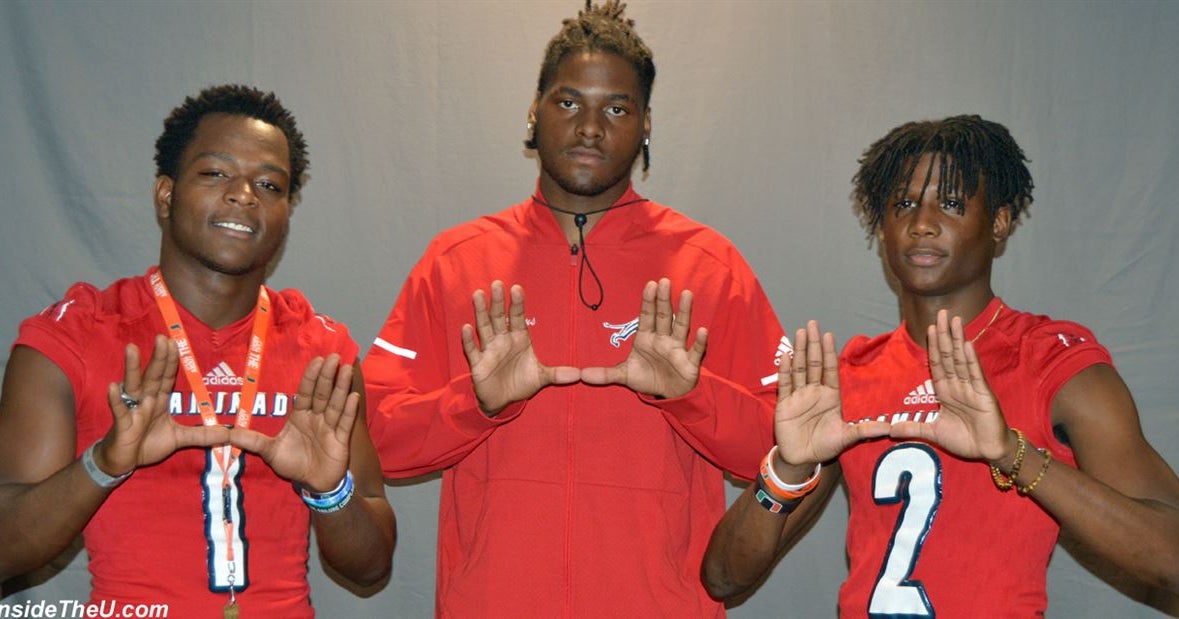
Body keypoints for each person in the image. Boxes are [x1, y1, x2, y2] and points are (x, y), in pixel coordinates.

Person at [362, 1, 785, 615]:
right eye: (568, 103)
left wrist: (691, 398)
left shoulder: (708, 266)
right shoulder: (457, 261)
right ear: (533, 113)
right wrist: (474, 407)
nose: (591, 127)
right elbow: (377, 444)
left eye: (617, 108)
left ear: (646, 126)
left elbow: (780, 454)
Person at [702, 115, 1179, 616]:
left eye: (950, 204)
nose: (922, 223)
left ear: (999, 221)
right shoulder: (850, 378)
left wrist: (1012, 455)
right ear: (880, 225)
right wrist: (786, 470)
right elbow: (723, 579)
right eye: (903, 204)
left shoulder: (1053, 362)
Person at [0, 85, 396, 618]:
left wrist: (329, 491)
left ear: (285, 212)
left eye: (270, 184)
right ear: (166, 195)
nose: (244, 194)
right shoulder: (75, 338)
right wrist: (102, 465)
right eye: (215, 173)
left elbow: (371, 567)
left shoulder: (322, 354)